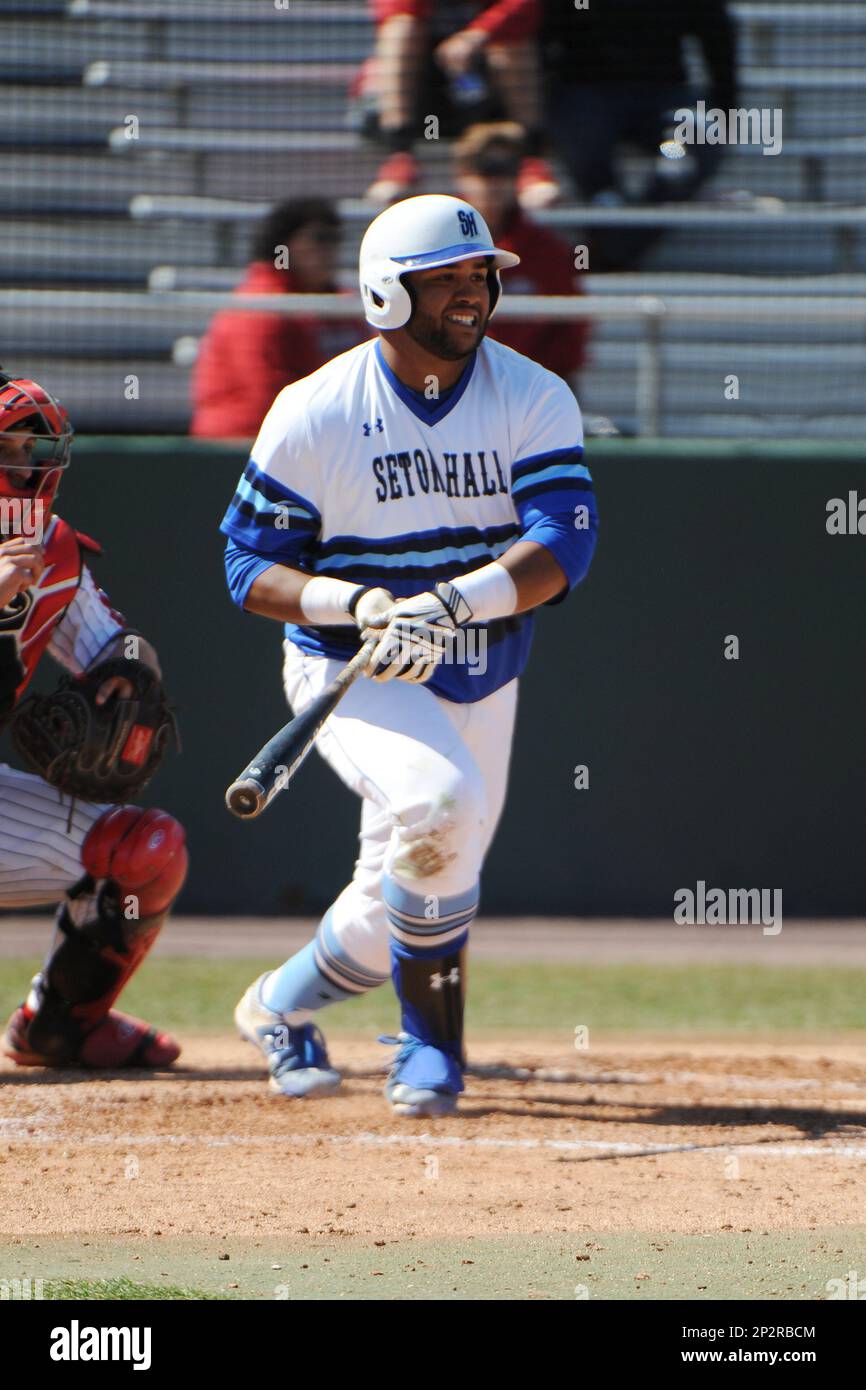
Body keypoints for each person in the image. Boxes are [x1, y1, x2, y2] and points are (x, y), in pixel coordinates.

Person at [221, 194, 598, 1117]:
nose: (471, 295)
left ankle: (278, 1004)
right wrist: (360, 603)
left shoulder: (535, 394)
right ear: (387, 293)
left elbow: (563, 548)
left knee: (430, 865)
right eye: (447, 279)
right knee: (443, 806)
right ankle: (428, 1047)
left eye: (482, 277)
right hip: (350, 668)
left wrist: (446, 603)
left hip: (485, 664)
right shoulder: (314, 409)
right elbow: (247, 566)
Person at [0, 372, 187, 1070]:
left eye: (36, 449)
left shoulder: (49, 550)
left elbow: (113, 651)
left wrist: (130, 675)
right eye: (11, 449)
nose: (29, 467)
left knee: (145, 849)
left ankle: (59, 1023)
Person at [541, 0, 738, 270]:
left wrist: (727, 110)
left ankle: (614, 249)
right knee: (582, 140)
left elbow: (717, 33)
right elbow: (544, 32)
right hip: (585, 94)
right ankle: (606, 208)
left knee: (689, 150)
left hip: (665, 100)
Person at [190, 199, 367, 439]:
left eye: (335, 239)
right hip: (246, 442)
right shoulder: (260, 305)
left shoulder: (344, 306)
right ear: (284, 245)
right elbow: (265, 394)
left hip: (323, 438)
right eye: (319, 238)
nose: (329, 249)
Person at [362, 0, 560, 208]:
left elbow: (524, 6)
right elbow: (398, 7)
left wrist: (478, 33)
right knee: (400, 29)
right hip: (424, 85)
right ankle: (399, 156)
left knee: (512, 39)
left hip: (491, 75)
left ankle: (531, 160)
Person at [452, 122, 589, 385]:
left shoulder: (546, 250)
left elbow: (572, 325)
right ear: (462, 174)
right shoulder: (433, 242)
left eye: (505, 171)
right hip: (449, 389)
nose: (494, 183)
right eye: (484, 169)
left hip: (526, 391)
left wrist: (538, 379)